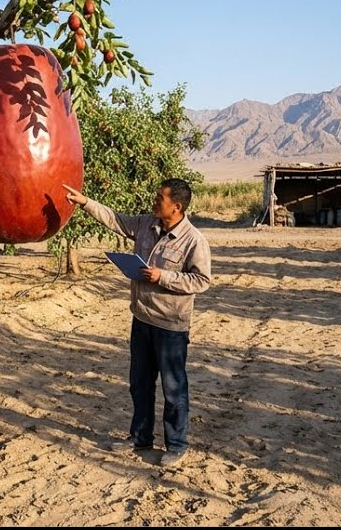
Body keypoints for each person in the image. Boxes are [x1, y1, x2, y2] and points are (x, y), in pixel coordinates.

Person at [63, 179, 212, 467]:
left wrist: (163, 277)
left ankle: (177, 445)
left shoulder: (194, 241)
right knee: (140, 384)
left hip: (170, 325)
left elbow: (201, 280)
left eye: (160, 198)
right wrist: (85, 203)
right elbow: (115, 220)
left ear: (176, 206)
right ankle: (140, 437)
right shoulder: (146, 224)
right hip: (141, 318)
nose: (154, 201)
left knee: (173, 388)